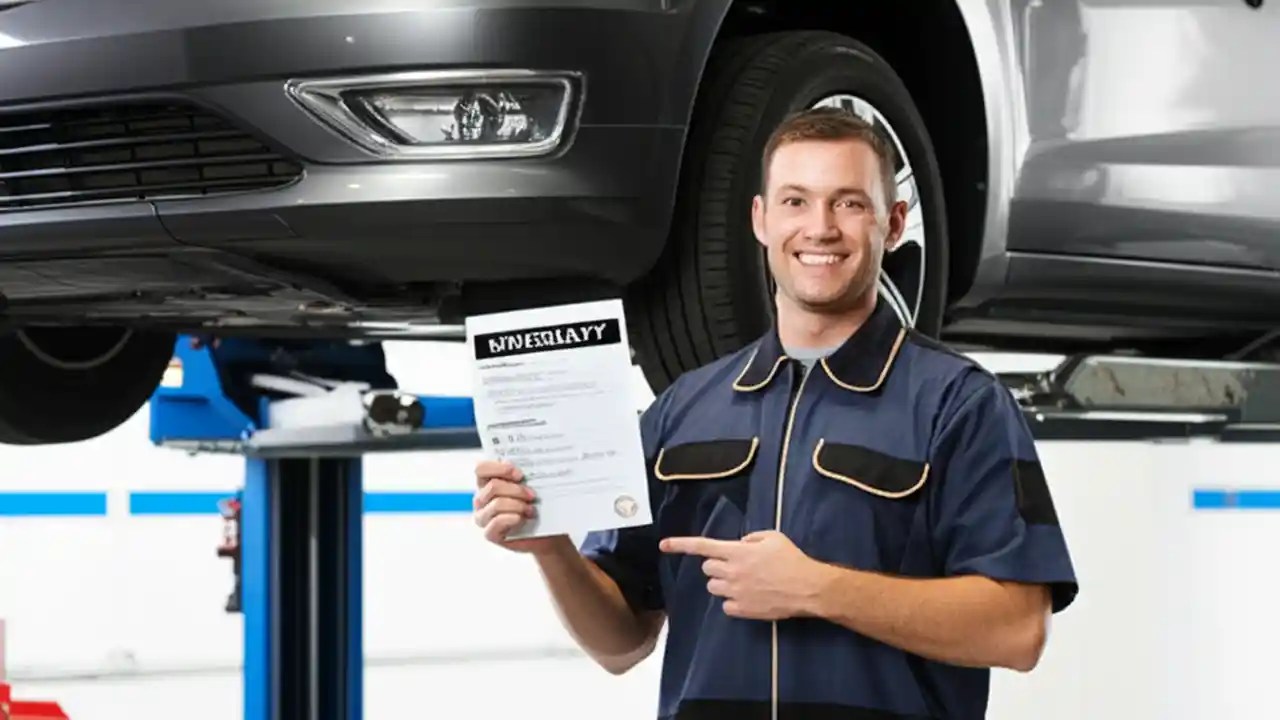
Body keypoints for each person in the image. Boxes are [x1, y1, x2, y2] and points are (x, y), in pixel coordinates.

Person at [472, 107, 1079, 719]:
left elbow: (1017, 631)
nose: (820, 228)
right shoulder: (683, 409)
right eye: (795, 201)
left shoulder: (959, 404)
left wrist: (817, 588)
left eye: (848, 203)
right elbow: (621, 643)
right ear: (760, 219)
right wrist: (552, 549)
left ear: (892, 224)